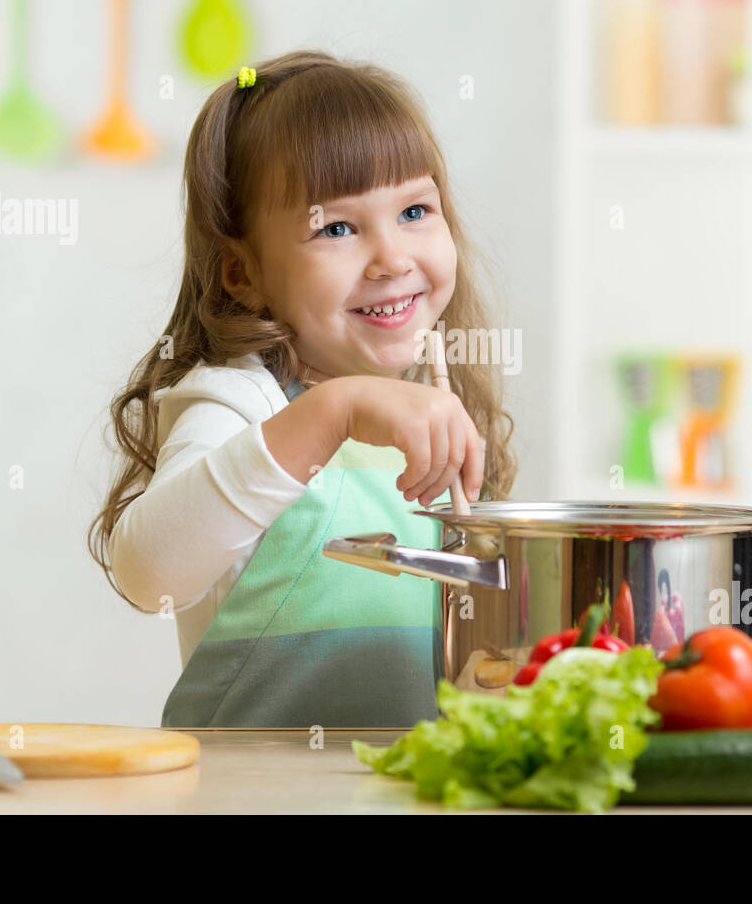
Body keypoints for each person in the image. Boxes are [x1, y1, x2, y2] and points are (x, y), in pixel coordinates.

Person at [87, 50, 517, 727]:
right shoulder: (239, 401)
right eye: (337, 228)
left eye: (414, 210)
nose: (394, 258)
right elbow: (148, 572)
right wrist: (334, 412)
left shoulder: (441, 412)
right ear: (244, 274)